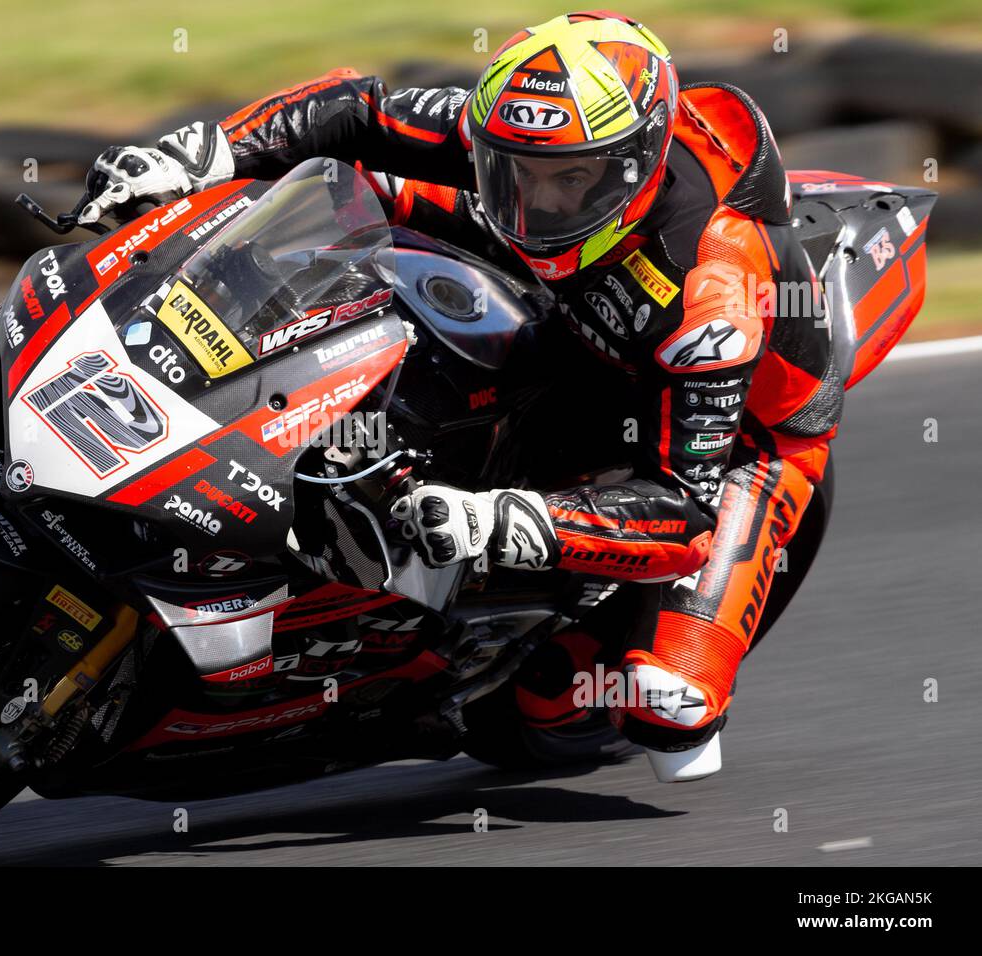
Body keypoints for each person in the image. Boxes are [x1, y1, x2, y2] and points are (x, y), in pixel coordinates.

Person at [81, 10, 840, 782]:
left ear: (631, 169)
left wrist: (511, 518)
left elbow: (685, 510)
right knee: (355, 198)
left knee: (668, 711)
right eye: (513, 171)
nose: (536, 203)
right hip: (567, 312)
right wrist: (202, 155)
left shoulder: (710, 289)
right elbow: (355, 110)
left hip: (740, 437)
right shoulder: (514, 144)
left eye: (568, 180)